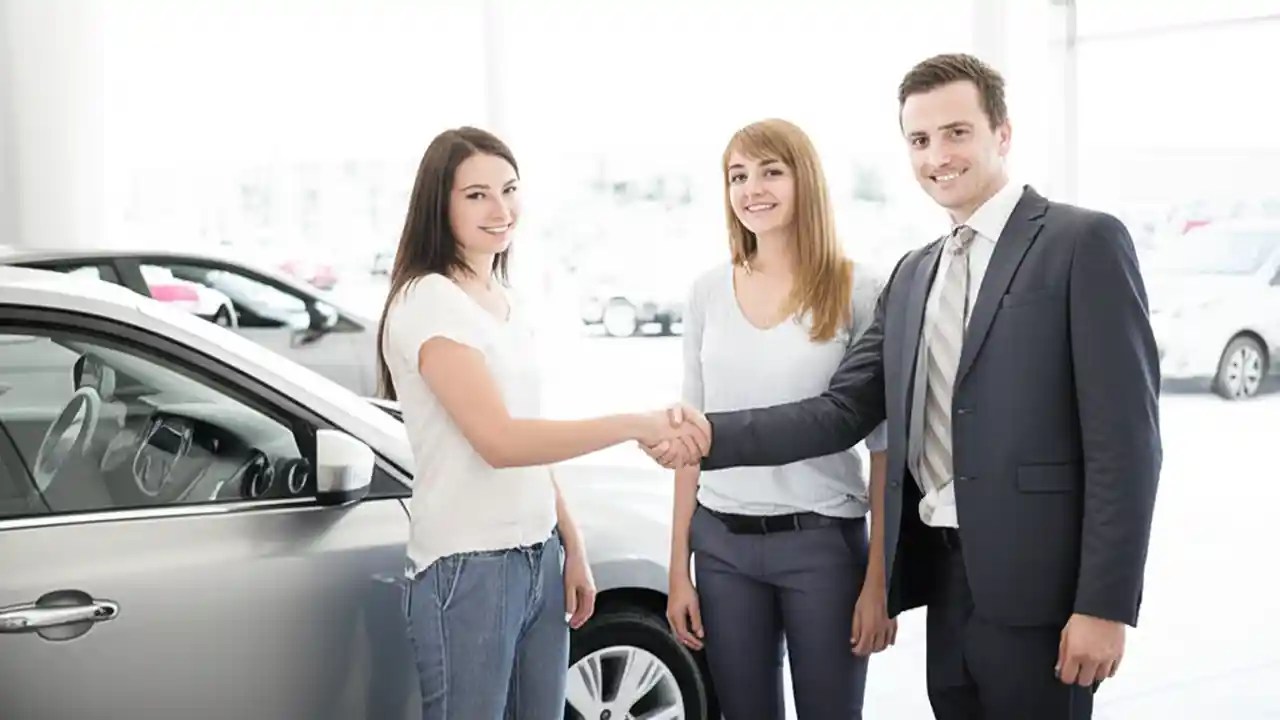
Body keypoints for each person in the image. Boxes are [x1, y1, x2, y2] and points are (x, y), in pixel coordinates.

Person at [649, 54, 1161, 719]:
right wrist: (708, 437)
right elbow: (840, 414)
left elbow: (1127, 444)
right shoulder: (914, 276)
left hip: (1041, 593)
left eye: (955, 132)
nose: (936, 155)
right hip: (947, 582)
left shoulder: (1080, 241)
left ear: (1002, 134)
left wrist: (1104, 603)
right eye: (919, 140)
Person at [376, 126, 709, 720]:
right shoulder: (429, 299)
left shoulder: (501, 295)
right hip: (469, 566)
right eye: (476, 195)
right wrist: (634, 423)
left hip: (535, 556)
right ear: (439, 203)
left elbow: (530, 437)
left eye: (509, 189)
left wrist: (571, 545)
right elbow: (501, 442)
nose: (501, 210)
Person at [665, 118, 897, 720]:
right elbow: (692, 436)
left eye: (770, 171)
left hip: (822, 546)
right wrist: (678, 571)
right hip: (720, 548)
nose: (752, 188)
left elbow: (883, 448)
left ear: (805, 181)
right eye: (738, 175)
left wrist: (879, 583)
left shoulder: (859, 287)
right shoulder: (707, 291)